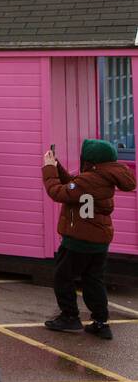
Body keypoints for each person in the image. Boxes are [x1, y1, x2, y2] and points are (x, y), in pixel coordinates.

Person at [41, 139, 136, 339]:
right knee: (94, 280)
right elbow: (73, 187)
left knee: (63, 277)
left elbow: (58, 192)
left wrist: (49, 170)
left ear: (91, 161)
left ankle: (69, 317)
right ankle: (101, 323)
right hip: (99, 240)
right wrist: (57, 166)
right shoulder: (101, 177)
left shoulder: (89, 180)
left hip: (78, 240)